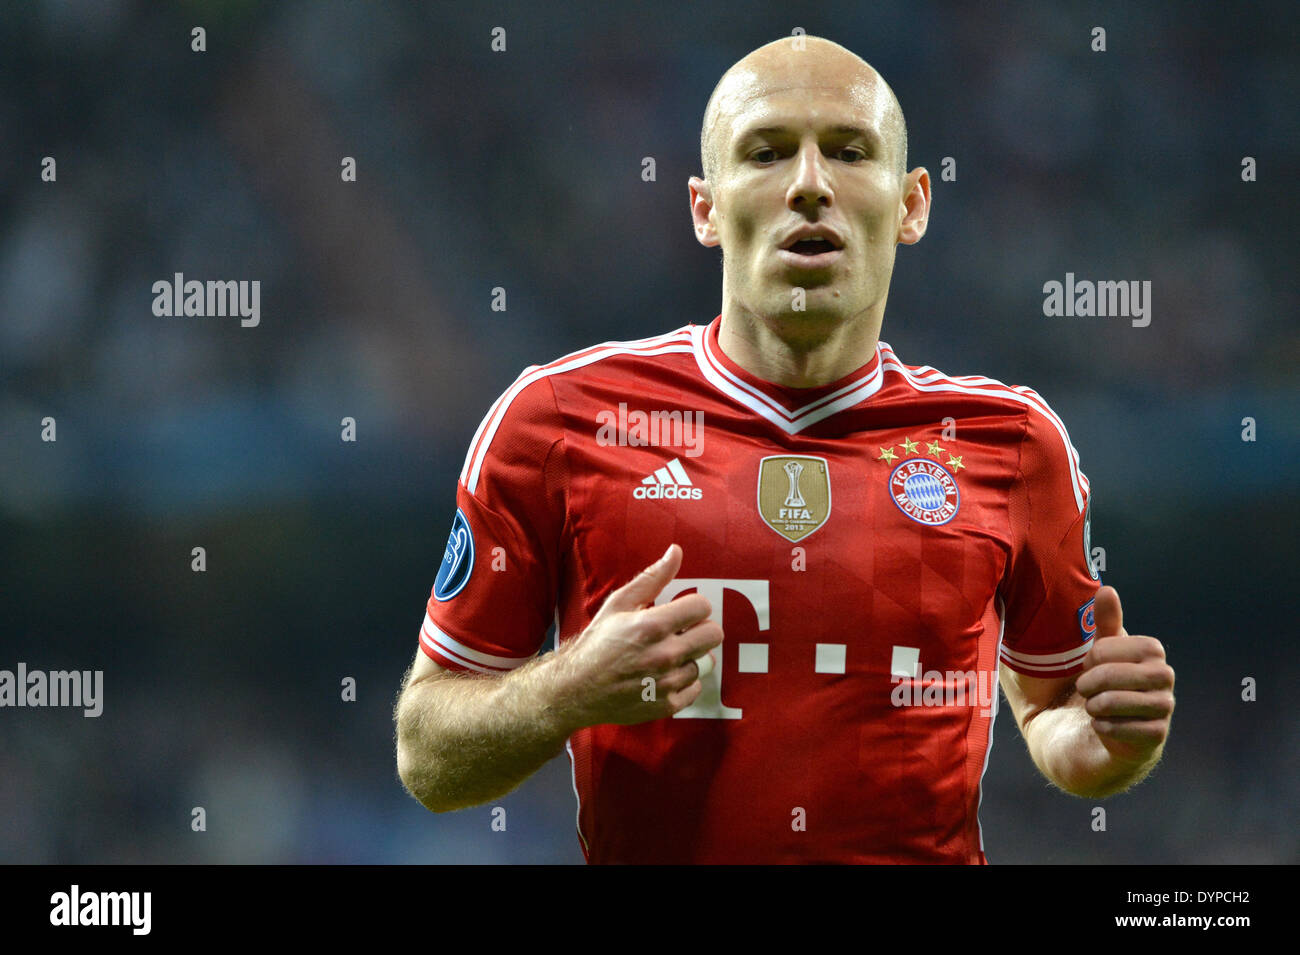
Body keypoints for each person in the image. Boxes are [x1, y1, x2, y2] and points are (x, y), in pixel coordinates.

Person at [393, 35, 1175, 864]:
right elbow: (427, 755)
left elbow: (1054, 710)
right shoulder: (557, 420)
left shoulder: (1012, 443)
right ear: (705, 206)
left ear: (912, 205)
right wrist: (565, 690)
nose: (809, 184)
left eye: (848, 151)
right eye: (766, 153)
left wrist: (1107, 746)